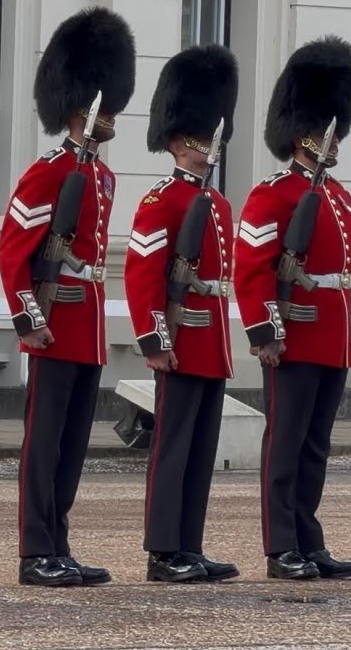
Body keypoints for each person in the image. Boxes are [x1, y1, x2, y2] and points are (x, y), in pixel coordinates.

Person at [0, 7, 135, 588]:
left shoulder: (101, 177)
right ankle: (35, 550)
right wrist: (28, 318)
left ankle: (60, 541)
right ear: (82, 108)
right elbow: (12, 251)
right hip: (53, 320)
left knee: (74, 443)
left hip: (87, 322)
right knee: (45, 439)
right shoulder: (47, 172)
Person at [233, 36, 351, 581]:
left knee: (315, 445)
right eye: (325, 129)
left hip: (328, 334)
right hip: (294, 334)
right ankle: (280, 544)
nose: (333, 140)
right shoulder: (273, 194)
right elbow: (251, 267)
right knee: (285, 442)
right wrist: (266, 329)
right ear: (303, 132)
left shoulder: (340, 196)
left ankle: (309, 538)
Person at [124, 44, 240, 583]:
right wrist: (155, 338)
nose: (207, 147)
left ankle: (189, 543)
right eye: (196, 137)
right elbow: (142, 273)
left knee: (200, 449)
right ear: (175, 142)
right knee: (173, 447)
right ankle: (162, 550)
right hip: (180, 338)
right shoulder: (160, 201)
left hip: (210, 339)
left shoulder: (217, 203)